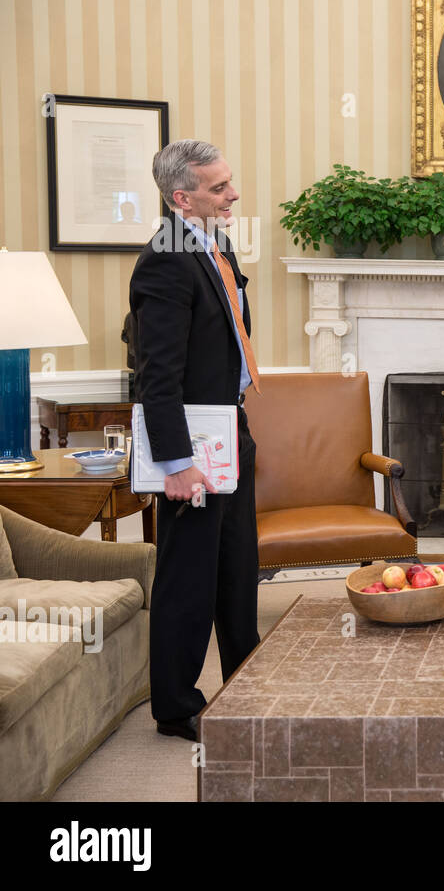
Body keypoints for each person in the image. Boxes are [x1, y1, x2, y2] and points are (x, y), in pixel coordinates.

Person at [129, 139, 261, 741]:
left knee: (237, 567)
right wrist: (177, 465)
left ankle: (248, 683)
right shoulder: (164, 258)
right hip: (191, 450)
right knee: (187, 576)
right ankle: (176, 707)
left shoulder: (216, 244)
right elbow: (156, 374)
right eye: (218, 188)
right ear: (182, 198)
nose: (233, 194)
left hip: (230, 431)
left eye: (230, 182)